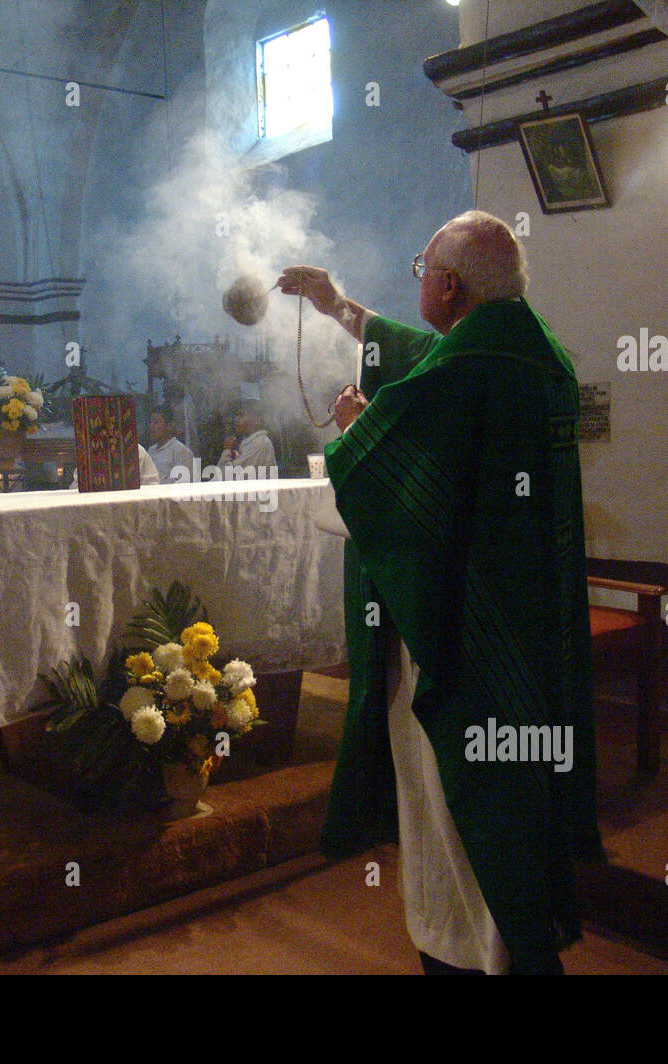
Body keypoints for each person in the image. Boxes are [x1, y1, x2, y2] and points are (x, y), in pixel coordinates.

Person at [278, 209, 601, 975]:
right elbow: (430, 353)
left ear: (449, 284)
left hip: (456, 641)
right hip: (522, 622)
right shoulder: (529, 350)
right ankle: (518, 936)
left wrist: (359, 430)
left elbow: (388, 491)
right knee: (513, 800)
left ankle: (476, 959)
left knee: (459, 806)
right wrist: (338, 306)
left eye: (422, 270)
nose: (418, 281)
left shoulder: (470, 370)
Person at [218, 399, 276, 474]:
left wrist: (227, 450)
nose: (236, 419)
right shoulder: (249, 441)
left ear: (257, 420)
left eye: (241, 415)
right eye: (236, 415)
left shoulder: (259, 444)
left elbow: (225, 476)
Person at [145, 404, 194, 483]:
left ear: (170, 425)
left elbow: (183, 485)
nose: (151, 426)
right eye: (151, 422)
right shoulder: (151, 450)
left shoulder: (182, 452)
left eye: (156, 422)